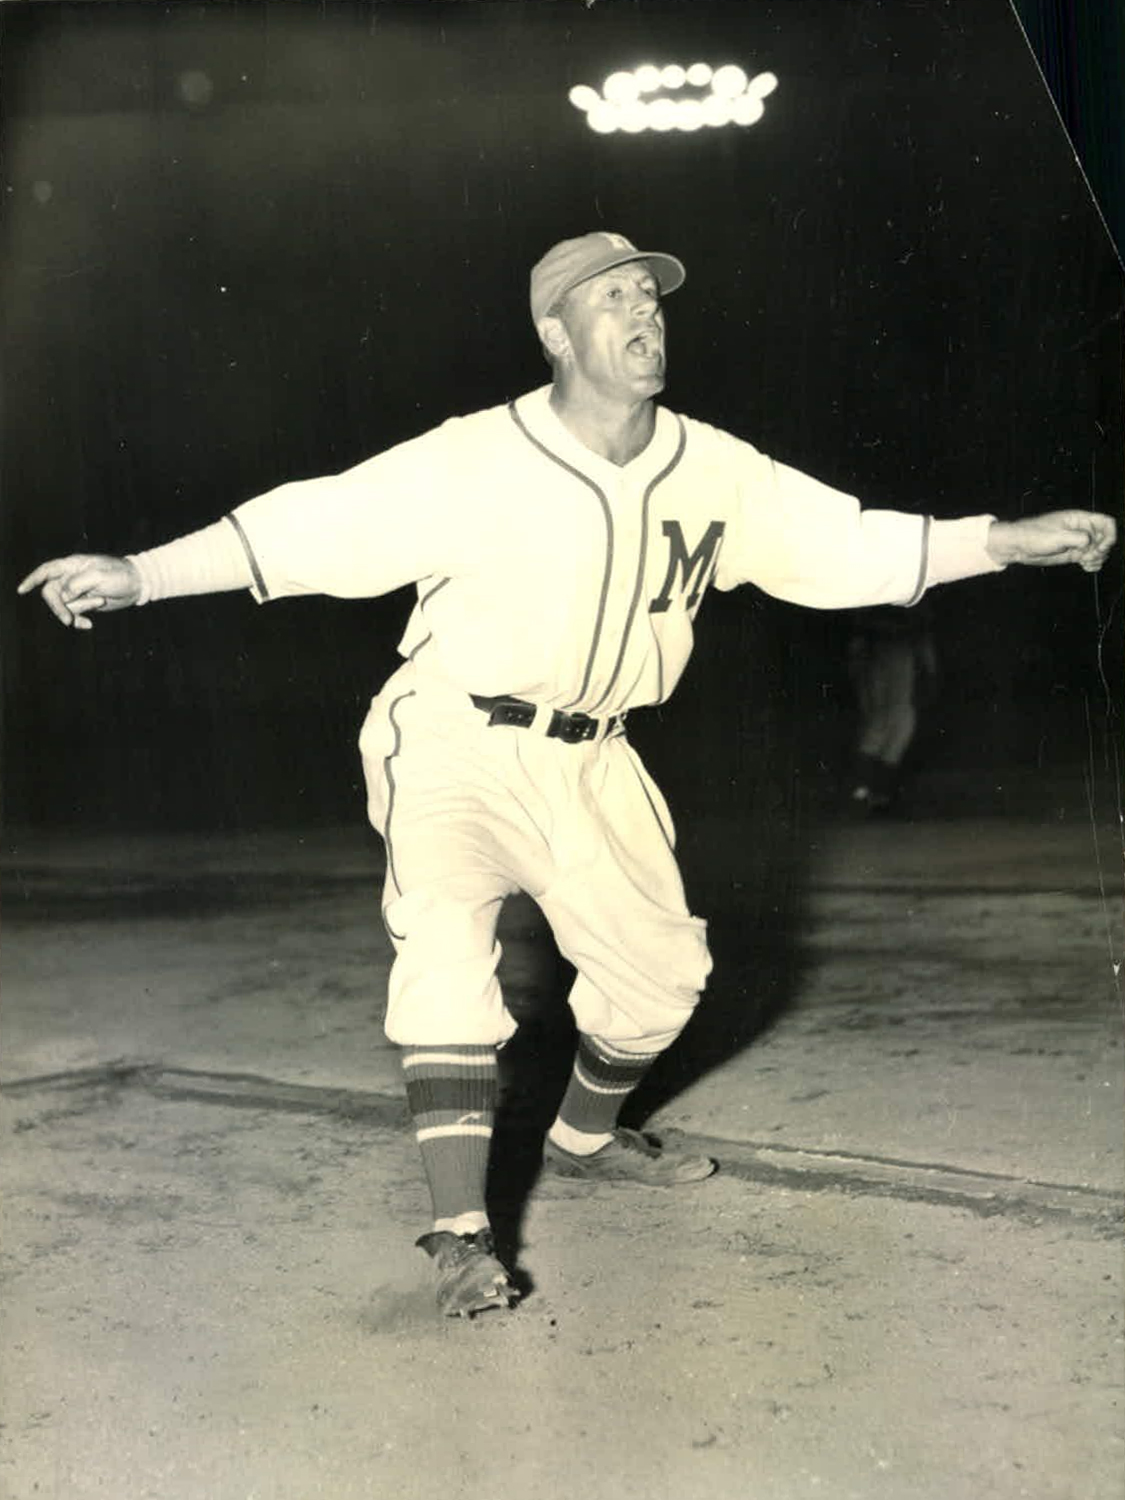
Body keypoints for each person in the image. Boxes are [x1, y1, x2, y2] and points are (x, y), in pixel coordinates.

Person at [18, 231, 1117, 1318]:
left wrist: (1003, 542)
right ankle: (459, 1235)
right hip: (450, 734)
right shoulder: (474, 456)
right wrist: (141, 574)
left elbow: (848, 545)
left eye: (652, 293)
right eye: (613, 297)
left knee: (663, 983)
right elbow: (309, 529)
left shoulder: (711, 465)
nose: (644, 311)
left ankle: (586, 1137)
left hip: (597, 753)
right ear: (555, 332)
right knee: (448, 953)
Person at [845, 598, 938, 814]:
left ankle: (878, 793)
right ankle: (862, 791)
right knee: (880, 722)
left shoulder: (913, 602)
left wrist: (929, 670)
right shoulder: (873, 598)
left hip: (900, 652)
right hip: (877, 653)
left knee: (901, 726)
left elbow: (922, 632)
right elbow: (859, 631)